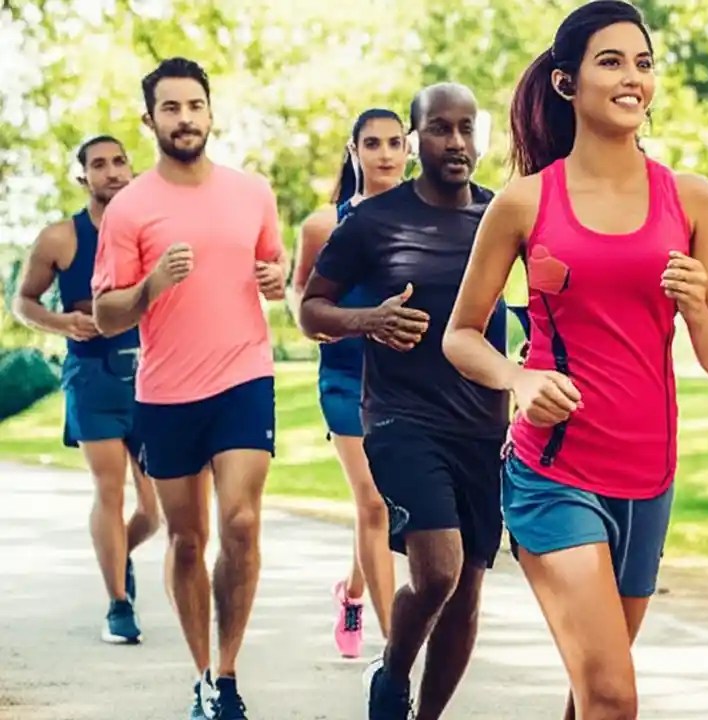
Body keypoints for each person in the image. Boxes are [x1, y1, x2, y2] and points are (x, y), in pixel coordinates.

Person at [442, 2, 708, 718]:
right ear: (568, 84)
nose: (633, 77)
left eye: (643, 62)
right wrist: (520, 377)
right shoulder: (523, 202)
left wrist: (697, 305)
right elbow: (461, 334)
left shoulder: (692, 199)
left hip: (648, 474)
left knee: (593, 692)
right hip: (553, 471)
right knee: (612, 695)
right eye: (612, 61)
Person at [299, 82, 511, 720]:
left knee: (469, 585)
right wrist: (369, 321)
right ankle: (392, 674)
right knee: (440, 569)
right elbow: (311, 311)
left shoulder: (500, 216)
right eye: (440, 128)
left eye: (467, 128)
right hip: (400, 418)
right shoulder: (371, 221)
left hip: (481, 422)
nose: (456, 142)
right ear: (415, 140)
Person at [91, 57, 286, 720]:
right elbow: (105, 314)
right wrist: (149, 287)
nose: (184, 119)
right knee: (187, 539)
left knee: (241, 521)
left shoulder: (252, 191)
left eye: (194, 106)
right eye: (170, 109)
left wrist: (276, 281)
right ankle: (201, 672)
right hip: (167, 391)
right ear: (151, 120)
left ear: (210, 112)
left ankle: (228, 674)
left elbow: (272, 263)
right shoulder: (129, 209)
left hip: (243, 375)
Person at [12, 135, 160, 645]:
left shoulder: (151, 233)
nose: (113, 172)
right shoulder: (60, 239)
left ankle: (118, 559)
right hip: (91, 376)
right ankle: (119, 603)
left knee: (153, 511)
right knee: (109, 489)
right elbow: (23, 302)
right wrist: (63, 323)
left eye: (120, 161)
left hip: (150, 375)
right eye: (99, 165)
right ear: (84, 177)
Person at [289, 108, 409, 659]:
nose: (385, 154)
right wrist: (316, 326)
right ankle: (393, 653)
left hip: (406, 381)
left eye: (394, 143)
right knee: (374, 505)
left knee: (381, 505)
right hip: (344, 378)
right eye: (372, 143)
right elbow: (300, 295)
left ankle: (353, 592)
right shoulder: (323, 224)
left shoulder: (425, 217)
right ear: (353, 149)